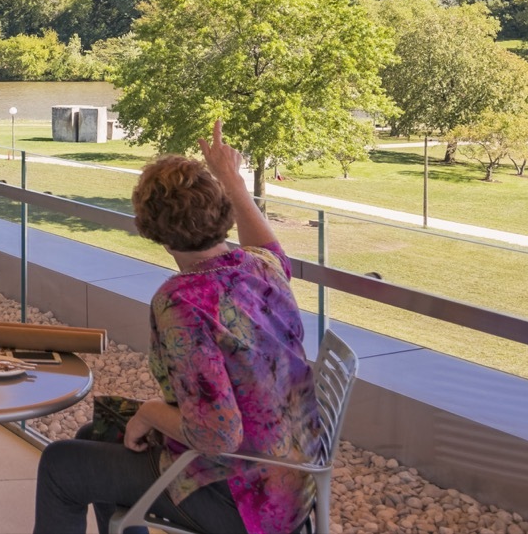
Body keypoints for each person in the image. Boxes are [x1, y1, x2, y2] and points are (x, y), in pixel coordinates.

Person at [33, 121, 321, 534]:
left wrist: (150, 412)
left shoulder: (182, 301)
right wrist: (230, 179)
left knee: (61, 465)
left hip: (243, 502)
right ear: (223, 211)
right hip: (291, 482)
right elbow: (270, 246)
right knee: (92, 434)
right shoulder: (260, 267)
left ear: (151, 229)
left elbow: (218, 434)